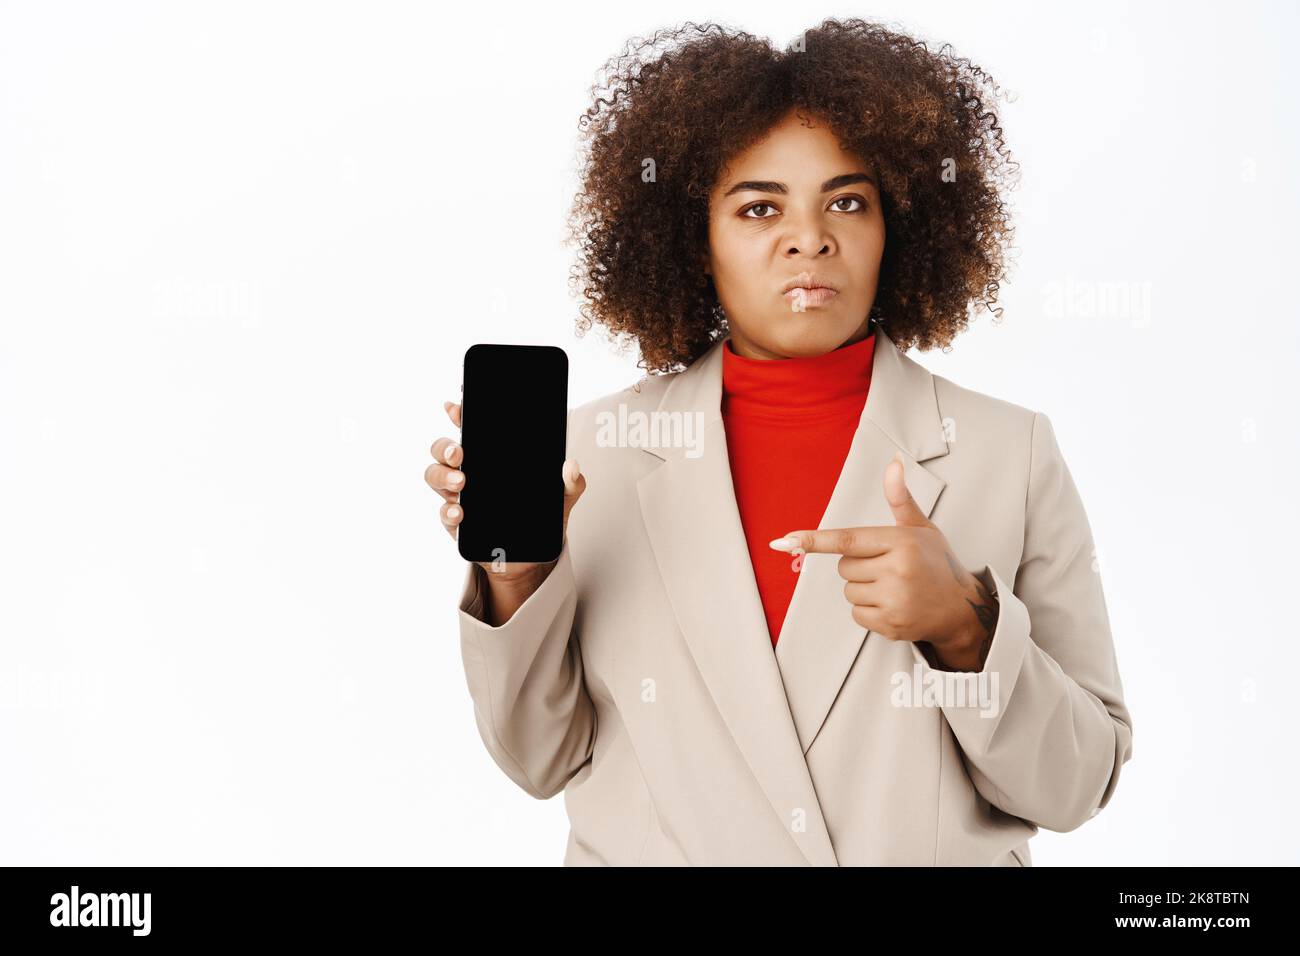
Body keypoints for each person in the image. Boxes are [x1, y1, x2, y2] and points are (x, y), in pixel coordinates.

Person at [424, 18, 1133, 865]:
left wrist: (968, 628)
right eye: (760, 207)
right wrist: (519, 578)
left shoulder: (1009, 453)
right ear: (694, 240)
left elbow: (1076, 785)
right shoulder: (591, 457)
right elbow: (541, 759)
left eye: (848, 201)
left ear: (898, 226)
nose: (810, 237)